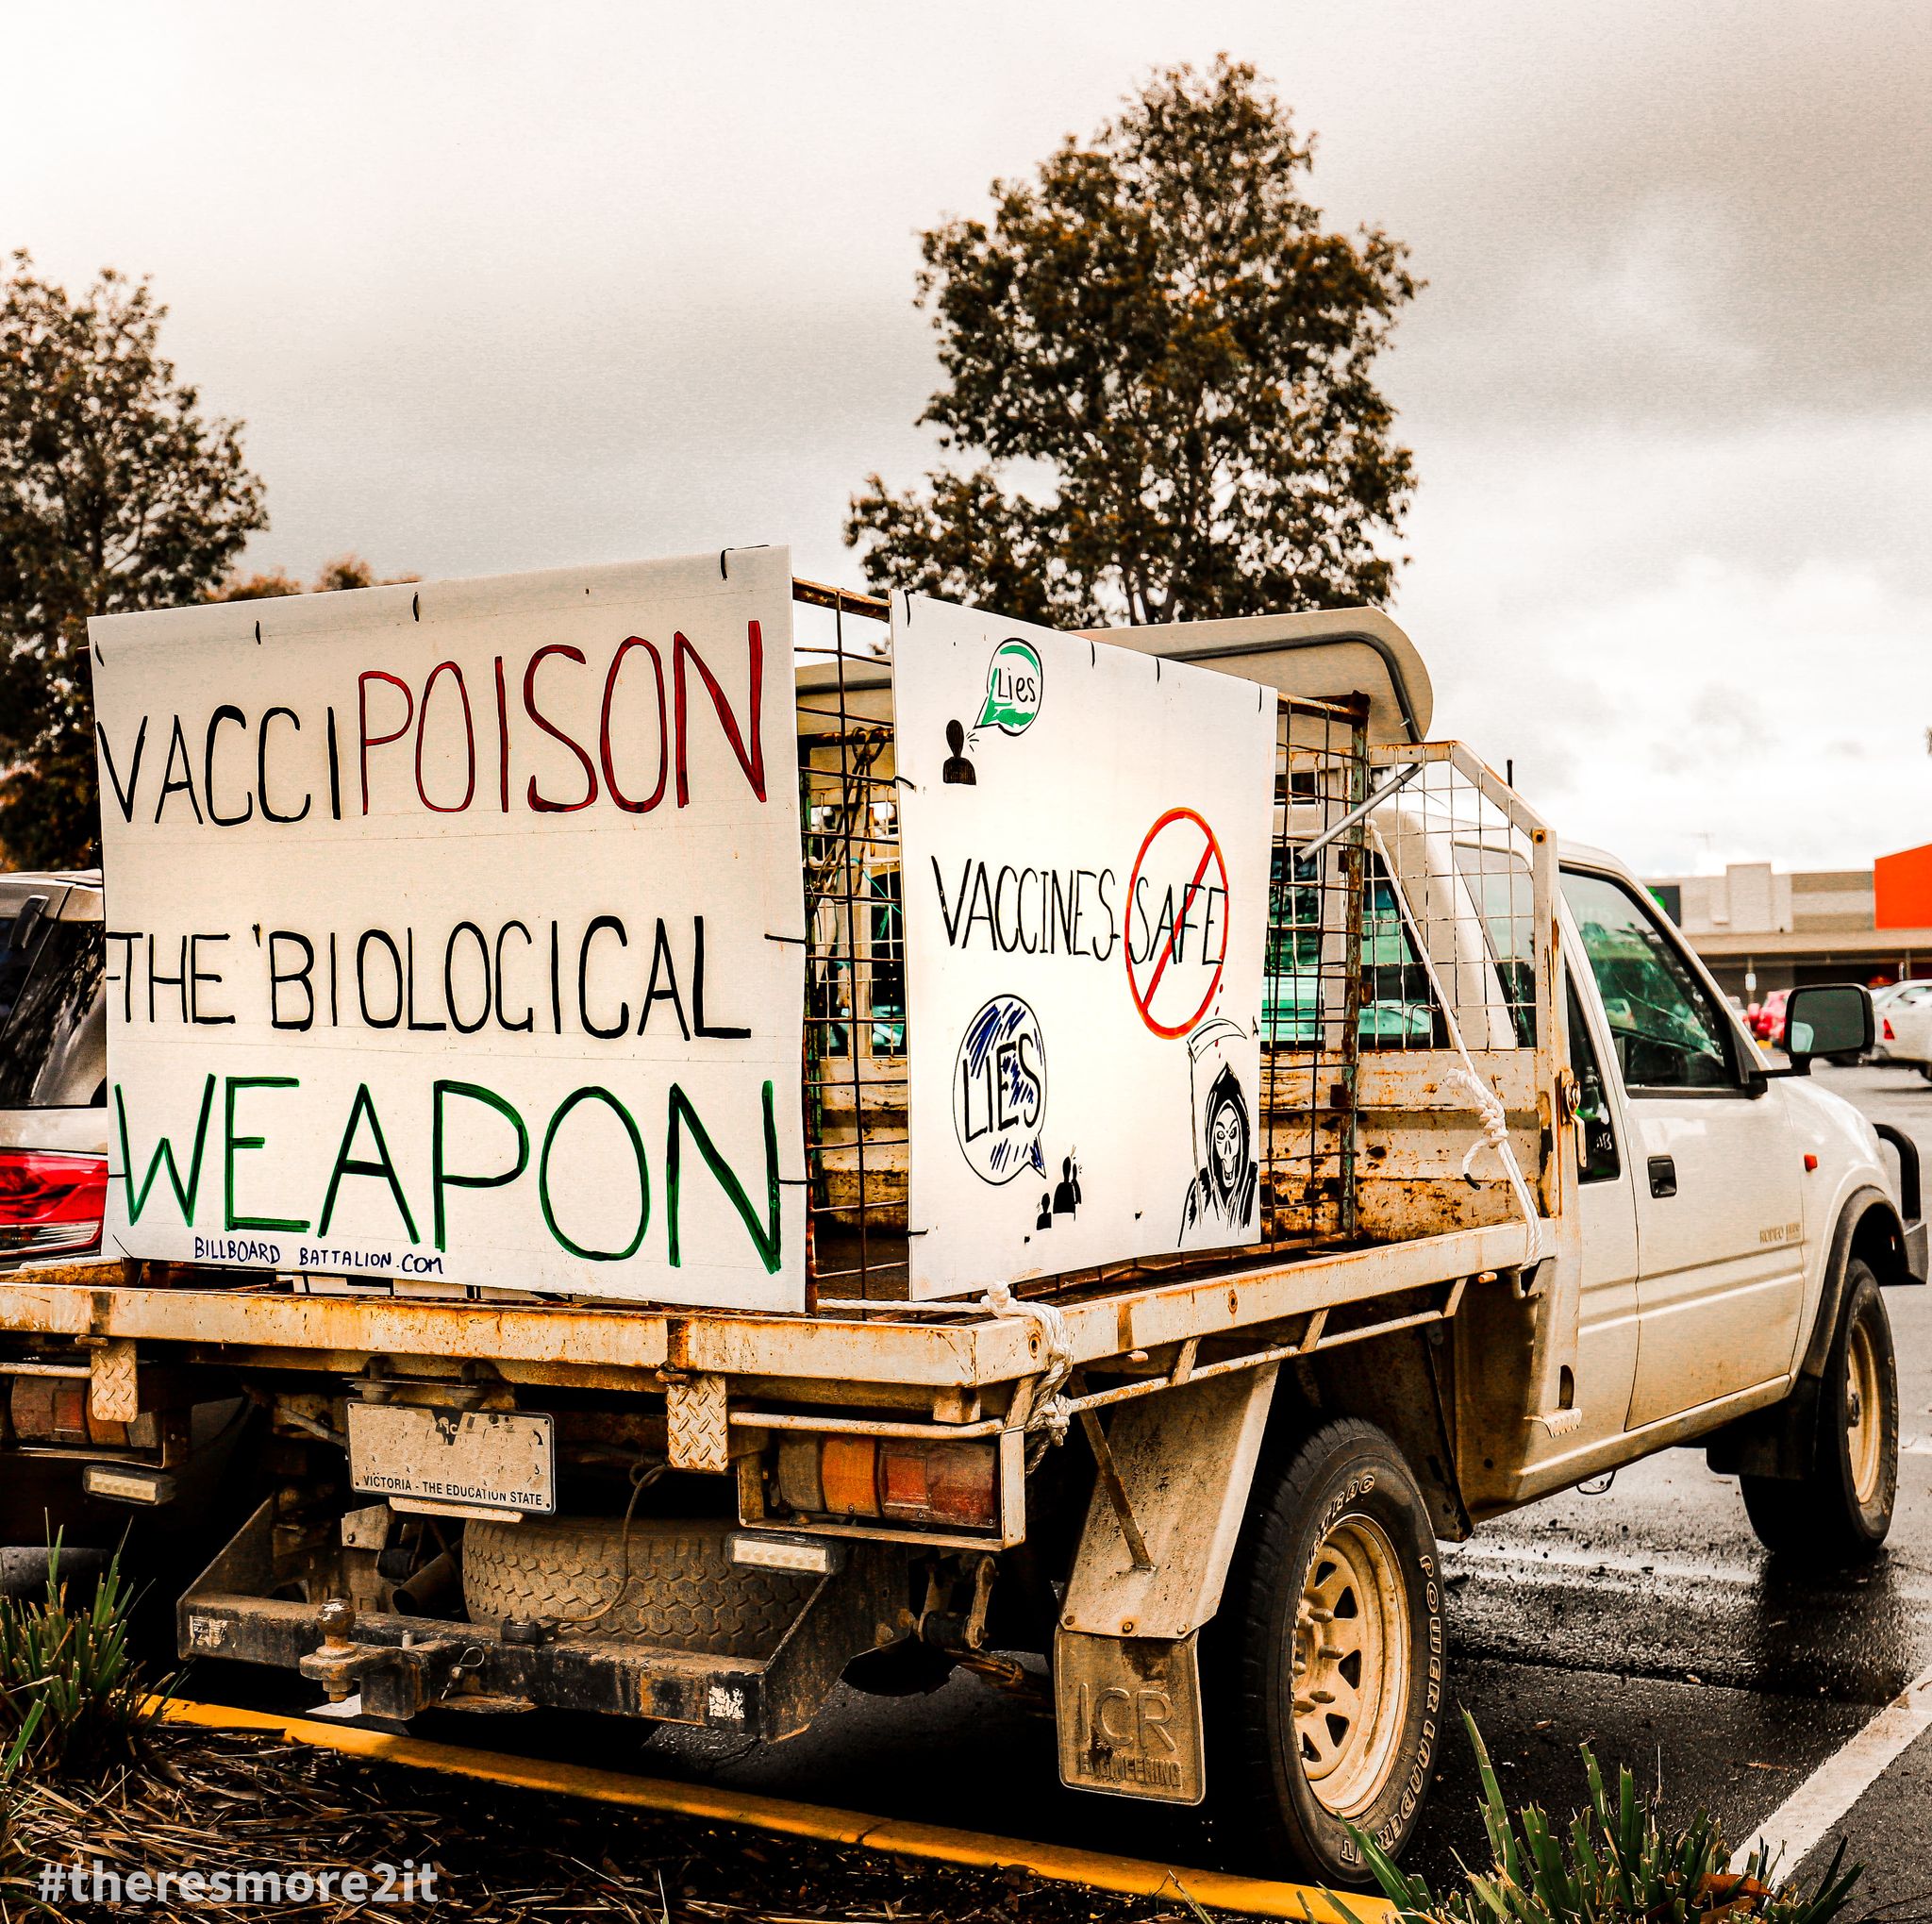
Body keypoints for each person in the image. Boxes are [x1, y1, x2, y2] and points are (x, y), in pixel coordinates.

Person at [1179, 1064, 1257, 1240]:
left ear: (1243, 1137)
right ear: (1211, 1140)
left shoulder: (1253, 1182)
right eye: (1220, 1136)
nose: (1228, 1148)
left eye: (1233, 1134)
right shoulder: (1201, 1190)